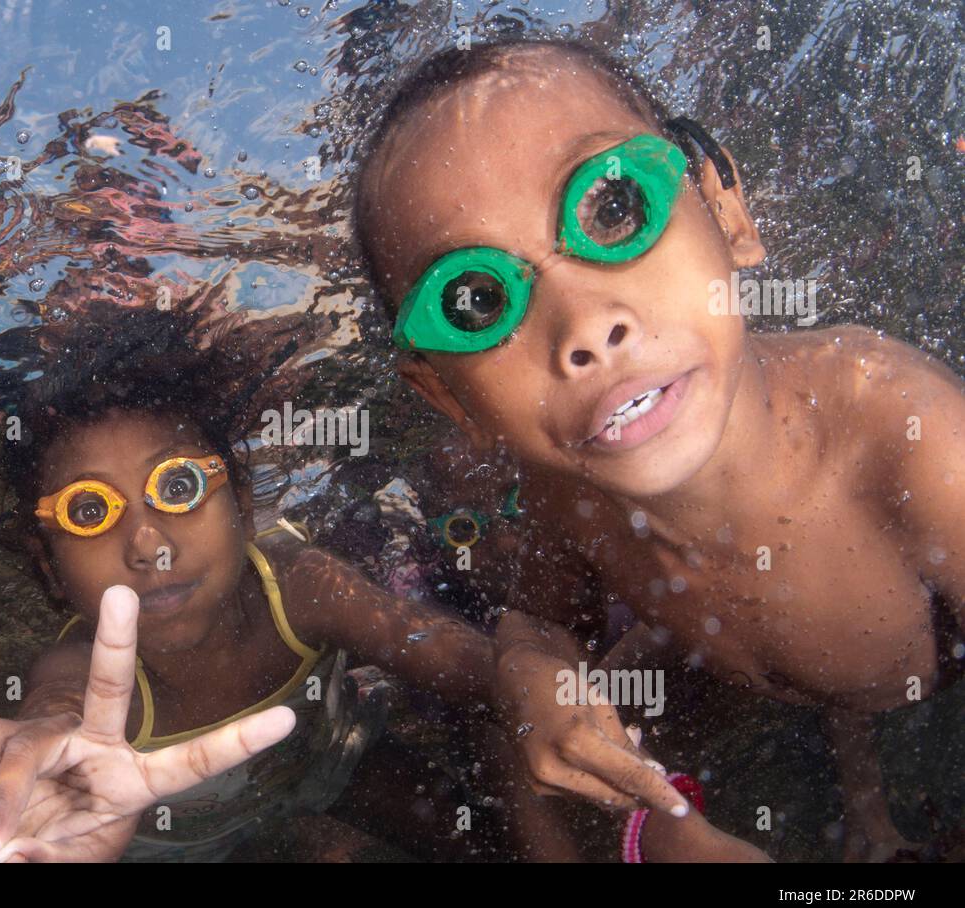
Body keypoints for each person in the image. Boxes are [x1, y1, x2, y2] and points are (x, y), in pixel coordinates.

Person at [352, 36, 965, 860]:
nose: (584, 328)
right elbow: (538, 620)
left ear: (726, 212)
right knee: (514, 737)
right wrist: (535, 677)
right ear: (447, 397)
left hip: (923, 661)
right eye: (474, 299)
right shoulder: (564, 494)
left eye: (612, 209)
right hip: (757, 662)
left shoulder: (914, 443)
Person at [0, 326, 767, 862]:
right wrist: (44, 758)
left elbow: (448, 652)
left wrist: (524, 679)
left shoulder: (298, 586)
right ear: (47, 560)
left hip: (332, 764)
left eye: (177, 485)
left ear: (240, 498)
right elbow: (58, 710)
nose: (145, 540)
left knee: (478, 844)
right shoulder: (81, 664)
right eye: (89, 511)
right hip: (166, 837)